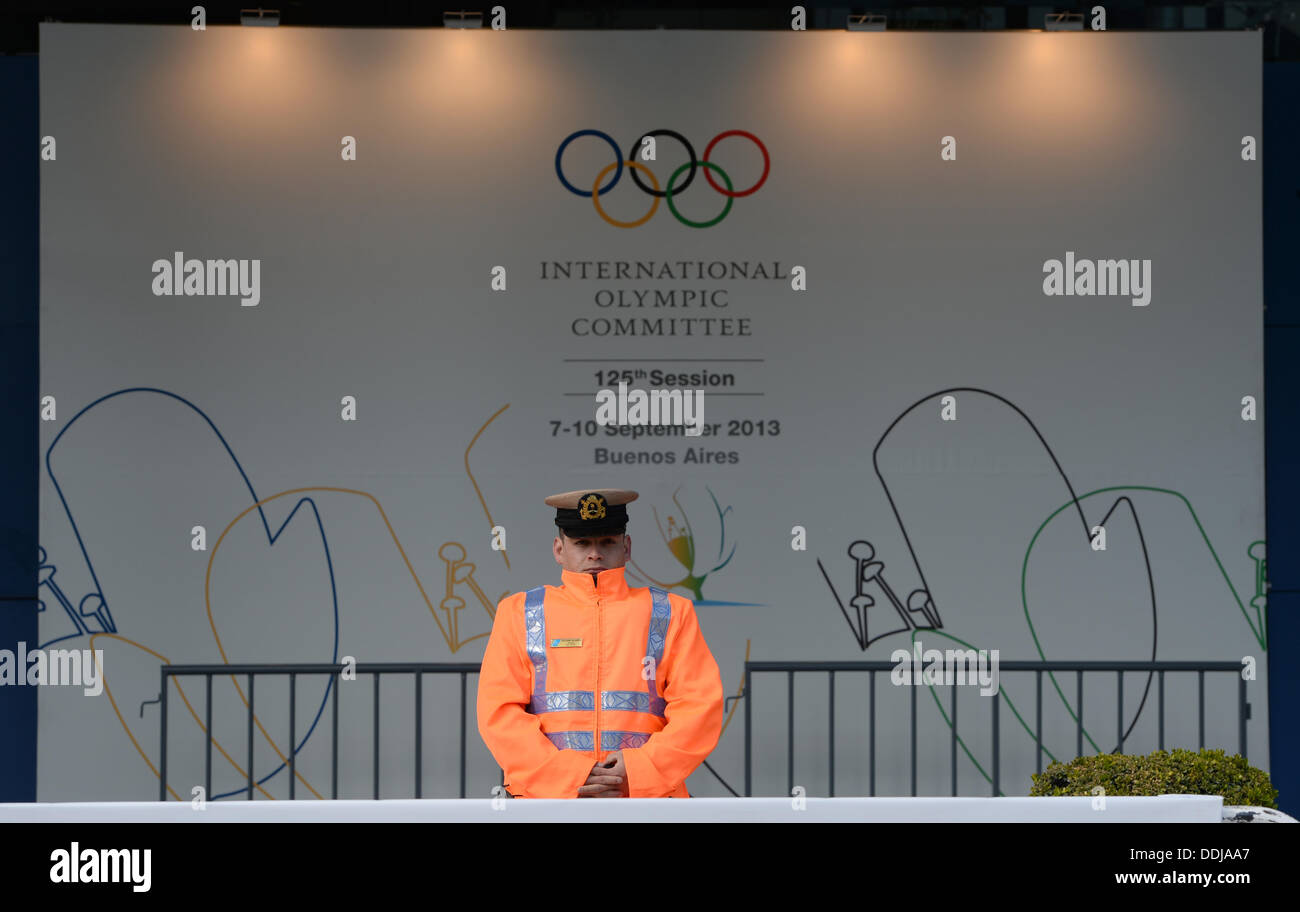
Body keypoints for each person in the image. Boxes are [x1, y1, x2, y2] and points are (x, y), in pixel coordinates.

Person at [476, 489, 724, 798]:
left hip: (647, 801)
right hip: (547, 803)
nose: (595, 553)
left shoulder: (671, 612)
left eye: (607, 541)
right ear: (558, 549)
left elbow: (700, 707)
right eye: (581, 543)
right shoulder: (520, 612)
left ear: (627, 546)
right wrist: (572, 776)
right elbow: (498, 713)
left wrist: (638, 770)